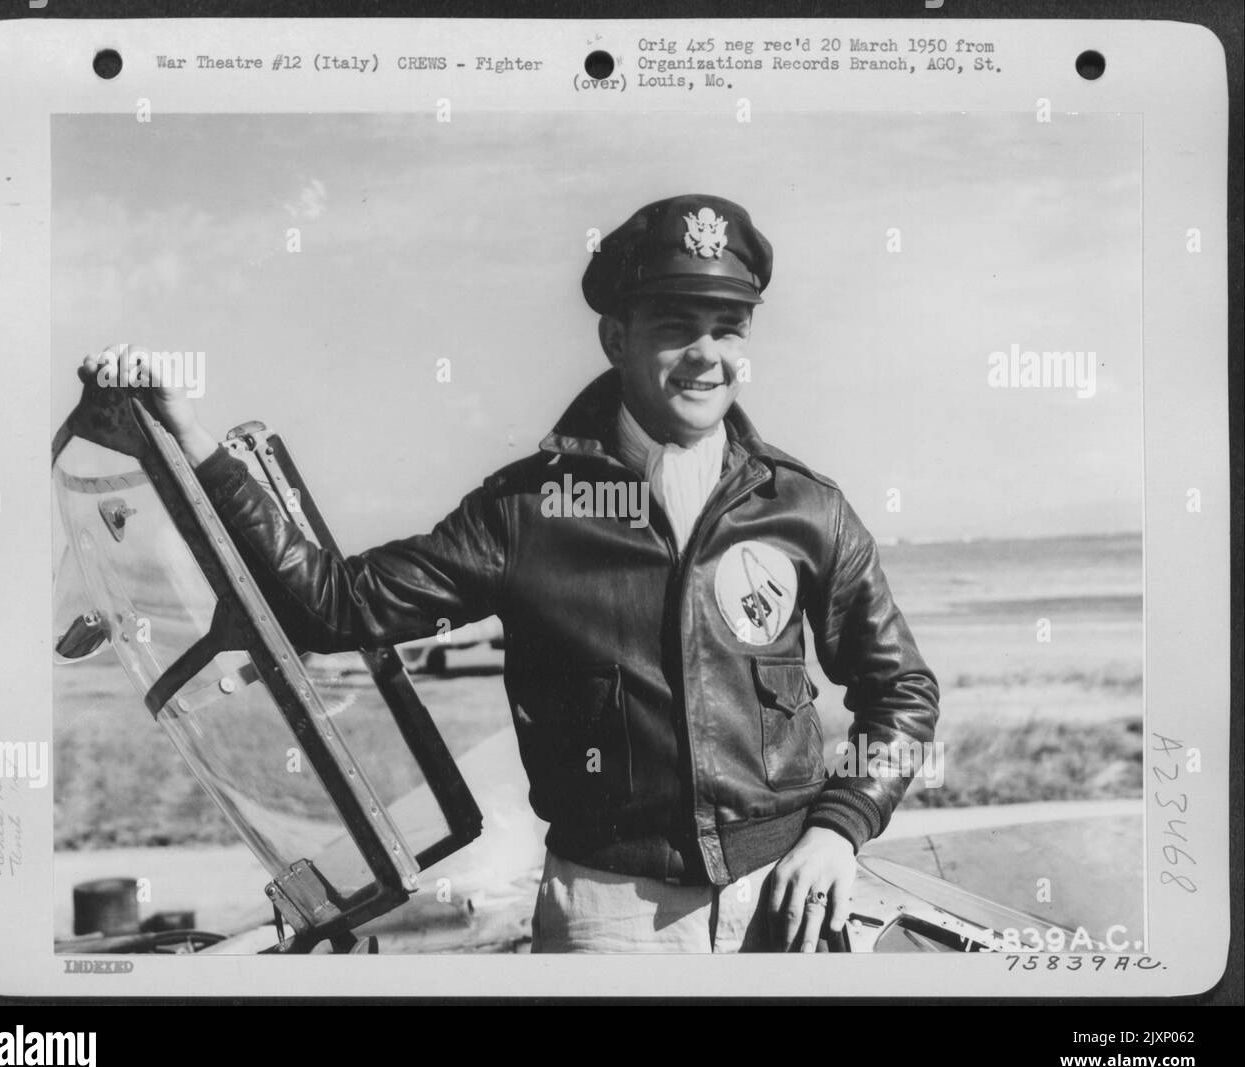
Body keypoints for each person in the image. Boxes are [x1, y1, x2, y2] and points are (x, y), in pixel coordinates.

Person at [80, 194, 939, 953]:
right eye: (677, 325)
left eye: (728, 325)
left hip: (787, 904)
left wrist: (840, 829)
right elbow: (332, 608)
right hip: (613, 921)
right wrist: (191, 443)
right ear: (617, 336)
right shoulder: (529, 512)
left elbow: (900, 689)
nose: (706, 355)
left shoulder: (805, 507)